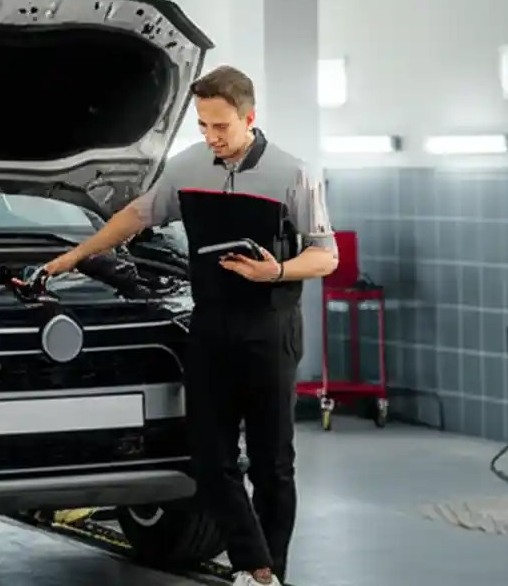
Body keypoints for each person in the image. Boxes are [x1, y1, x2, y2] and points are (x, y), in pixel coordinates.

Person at [39, 64, 338, 586]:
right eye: (202, 125)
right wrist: (75, 255)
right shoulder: (187, 168)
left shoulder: (294, 174)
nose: (211, 137)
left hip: (270, 329)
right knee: (210, 458)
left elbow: (326, 256)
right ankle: (254, 565)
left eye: (220, 126)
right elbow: (136, 215)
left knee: (273, 465)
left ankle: (271, 574)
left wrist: (277, 271)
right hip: (209, 328)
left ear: (249, 117)